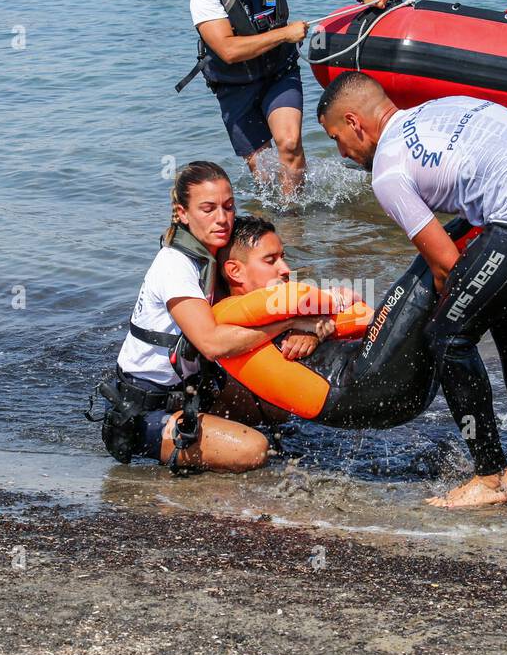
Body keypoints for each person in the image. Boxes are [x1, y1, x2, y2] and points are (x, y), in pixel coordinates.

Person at [315, 61, 507, 509]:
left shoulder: (388, 172)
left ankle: (491, 477)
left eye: (337, 138)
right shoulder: (445, 108)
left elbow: (448, 266)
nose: (341, 153)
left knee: (448, 336)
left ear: (354, 123)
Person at [91, 161, 333, 473]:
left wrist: (313, 327)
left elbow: (283, 297)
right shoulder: (175, 265)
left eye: (229, 207)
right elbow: (212, 345)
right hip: (143, 409)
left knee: (279, 410)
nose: (222, 219)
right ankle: (158, 443)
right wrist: (289, 324)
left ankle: (208, 434)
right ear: (182, 213)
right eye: (208, 208)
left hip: (195, 392)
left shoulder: (215, 258)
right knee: (253, 450)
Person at [181, 0, 389, 193]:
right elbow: (228, 51)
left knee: (289, 144)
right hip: (234, 85)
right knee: (264, 173)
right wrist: (284, 34)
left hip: (279, 73)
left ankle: (293, 219)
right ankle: (273, 218)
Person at [213, 213, 475, 430]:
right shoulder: (225, 313)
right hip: (361, 386)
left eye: (283, 257)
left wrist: (319, 329)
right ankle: (488, 216)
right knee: (429, 265)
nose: (285, 269)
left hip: (384, 393)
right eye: (270, 260)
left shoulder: (270, 315)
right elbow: (299, 296)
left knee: (451, 317)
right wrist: (332, 299)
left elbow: (364, 314)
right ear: (235, 271)